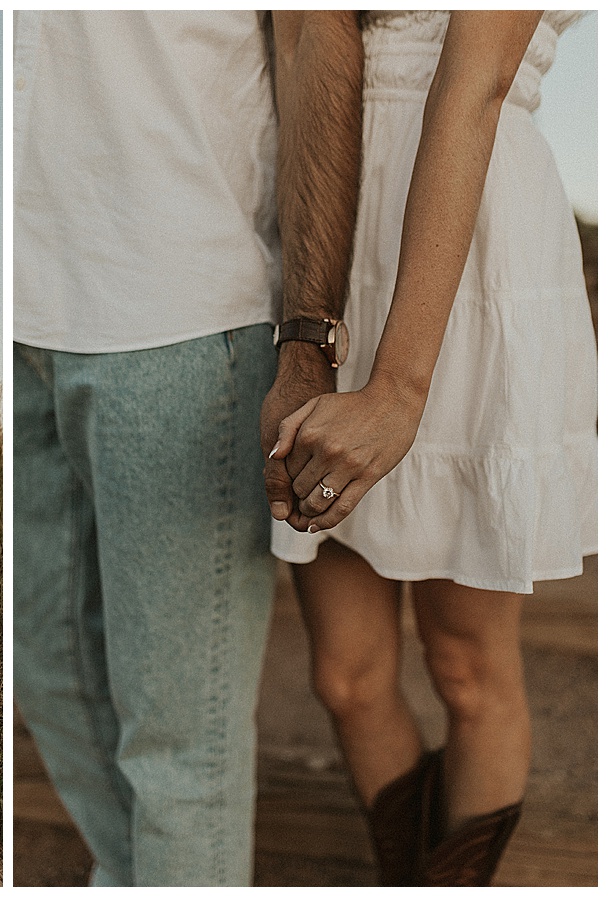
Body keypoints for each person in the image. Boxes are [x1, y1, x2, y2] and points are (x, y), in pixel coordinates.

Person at [12, 11, 363, 885]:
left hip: (178, 303)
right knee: (51, 672)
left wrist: (308, 338)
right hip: (14, 308)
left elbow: (315, 38)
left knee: (181, 741)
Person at [263, 11, 597, 886]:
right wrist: (302, 339)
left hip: (470, 228)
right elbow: (299, 43)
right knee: (345, 674)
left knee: (466, 663)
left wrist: (400, 386)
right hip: (328, 226)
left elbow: (475, 82)